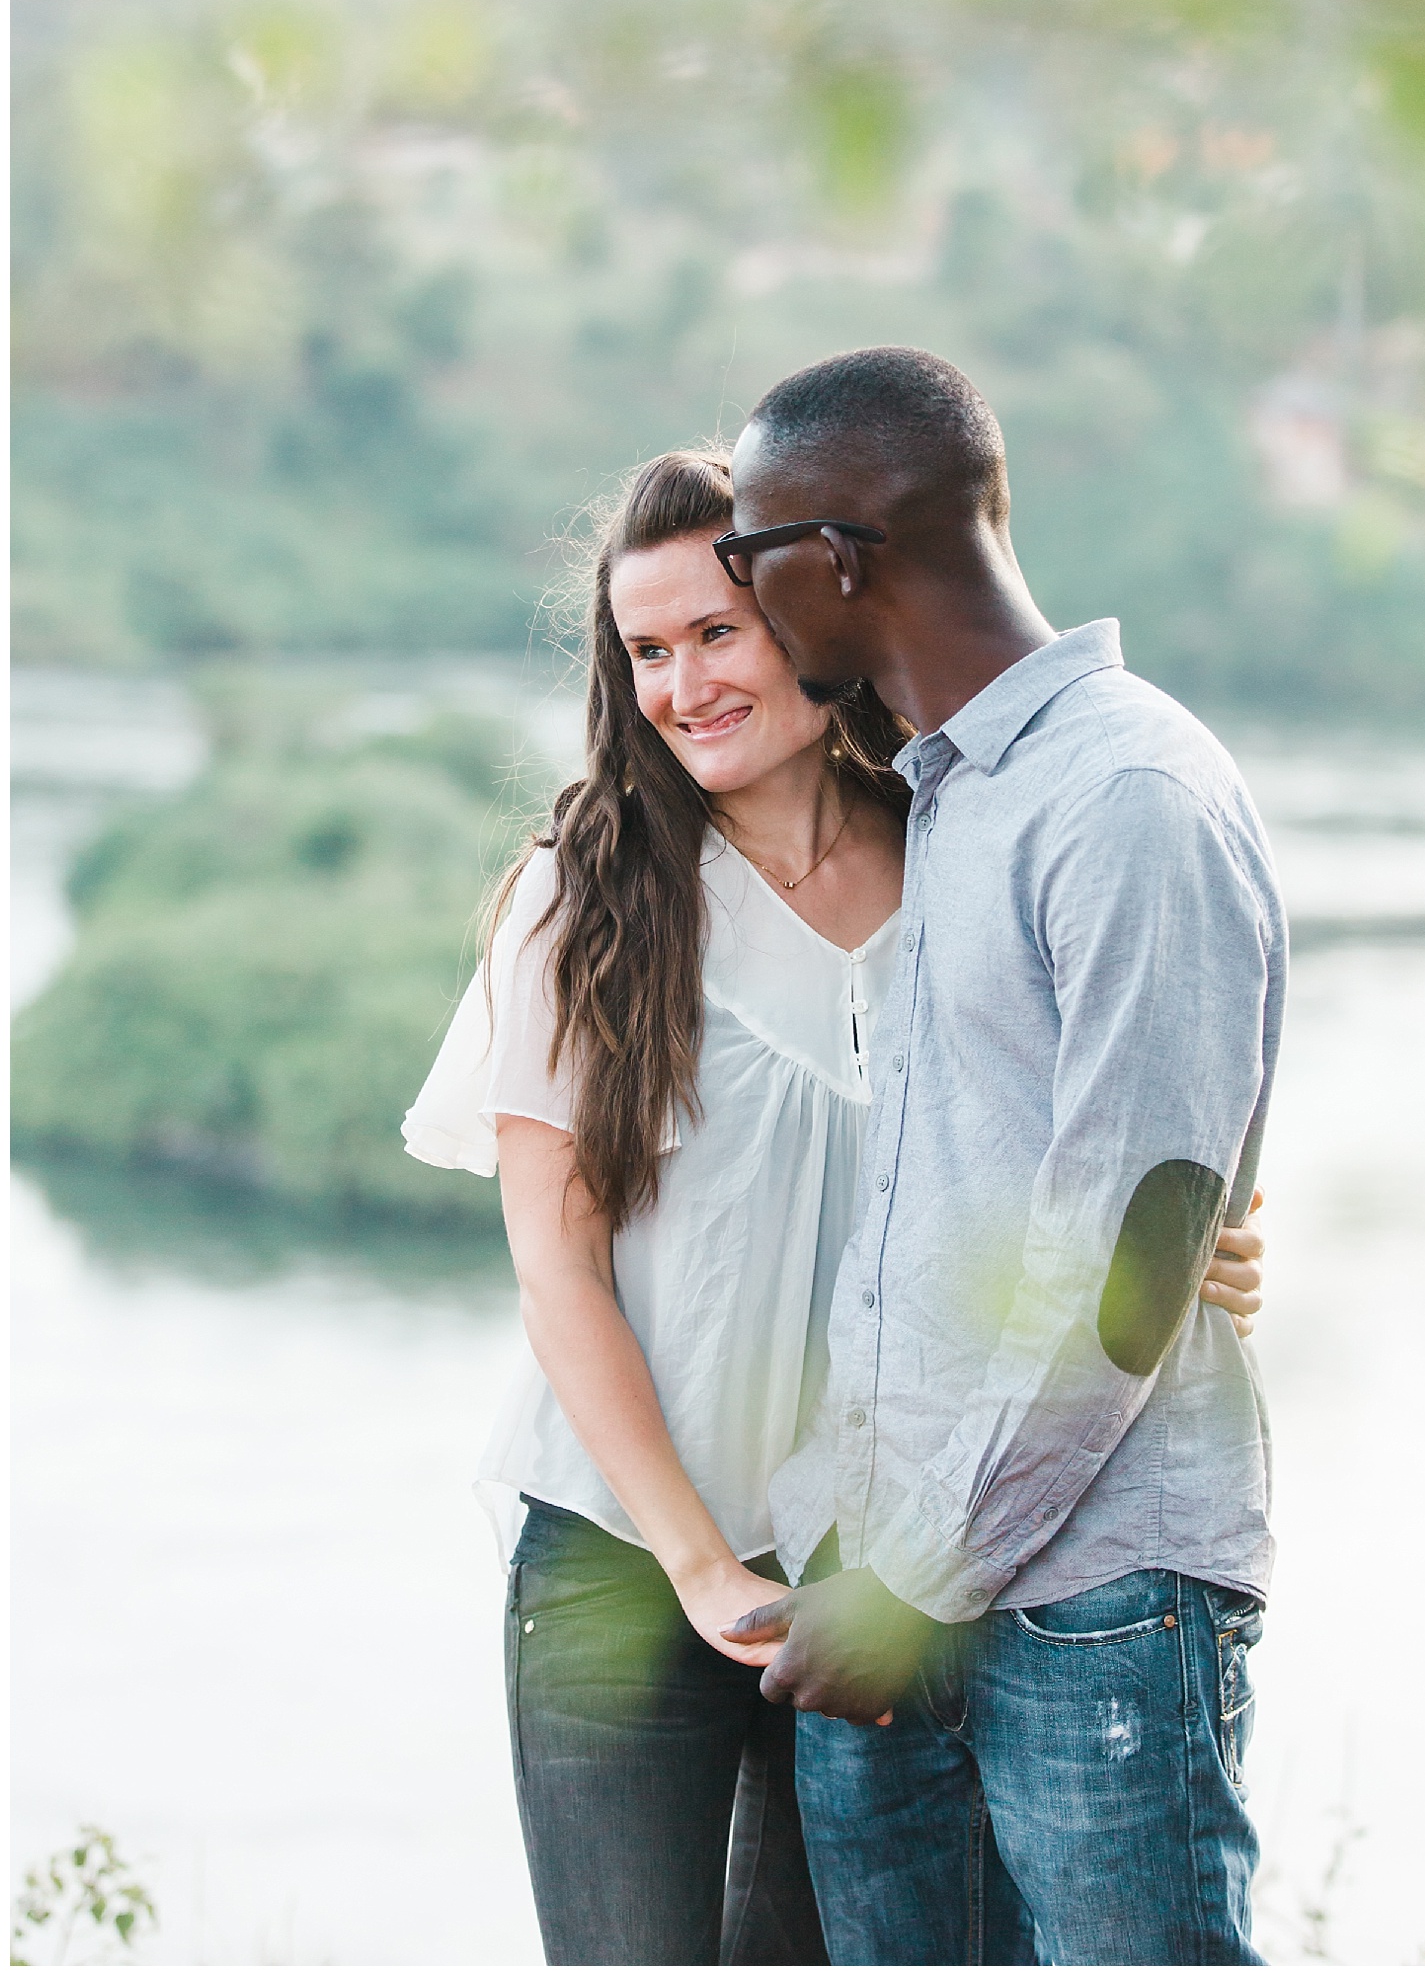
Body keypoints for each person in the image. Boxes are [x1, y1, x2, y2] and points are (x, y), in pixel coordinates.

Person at [403, 445, 1269, 1967]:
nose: (681, 685)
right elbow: (558, 1264)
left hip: (874, 1566)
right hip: (628, 1553)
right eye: (645, 652)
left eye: (715, 632)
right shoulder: (586, 894)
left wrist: (1191, 1241)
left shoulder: (951, 852)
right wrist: (693, 1563)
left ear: (807, 613)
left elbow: (1065, 1145)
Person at [721, 345, 1287, 1967]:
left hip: (1090, 1601)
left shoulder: (1129, 797)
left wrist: (917, 1581)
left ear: (839, 556)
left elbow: (1128, 1261)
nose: (752, 609)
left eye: (755, 563)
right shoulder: (953, 794)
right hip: (901, 1575)